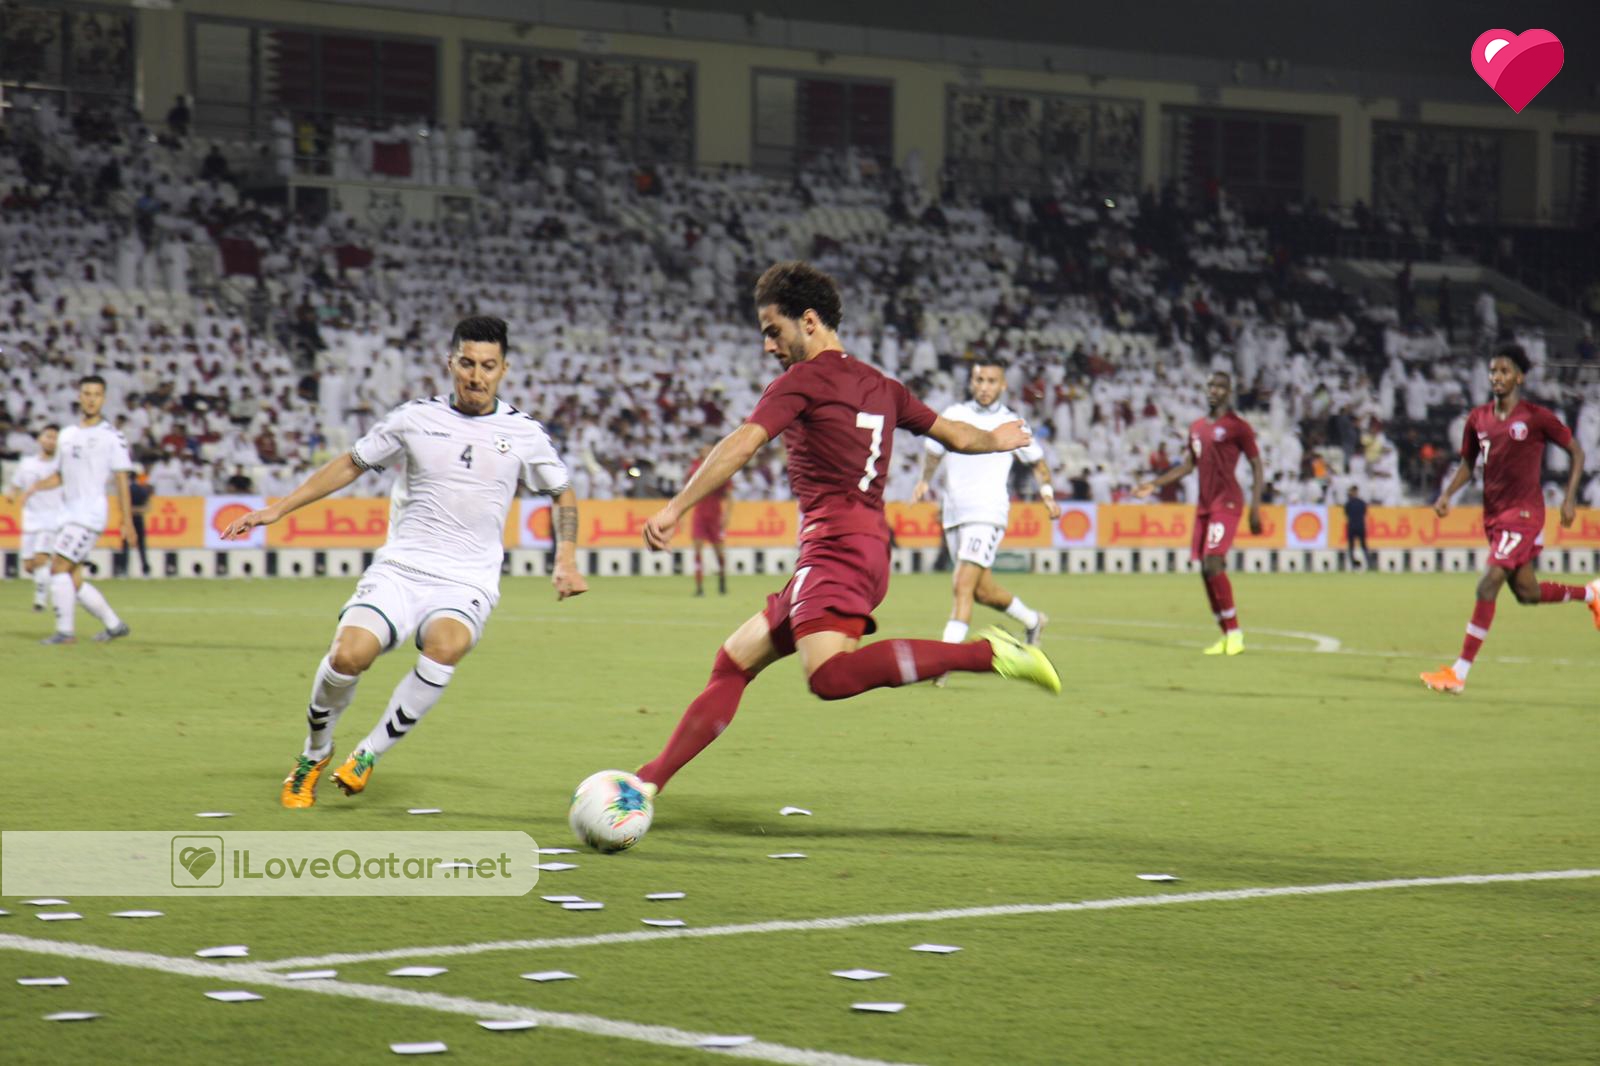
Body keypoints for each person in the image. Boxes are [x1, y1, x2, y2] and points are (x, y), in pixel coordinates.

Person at [633, 261, 1060, 799]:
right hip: (859, 547)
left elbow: (744, 442)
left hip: (836, 548)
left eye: (773, 331)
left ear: (808, 320)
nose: (769, 345)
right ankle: (648, 782)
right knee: (734, 662)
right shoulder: (881, 384)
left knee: (829, 677)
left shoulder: (802, 380)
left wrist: (676, 507)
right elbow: (954, 434)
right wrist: (995, 439)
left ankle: (987, 654)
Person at [221, 316, 588, 807]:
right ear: (450, 362)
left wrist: (565, 559)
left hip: (466, 577)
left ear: (504, 370)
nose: (475, 376)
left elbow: (562, 493)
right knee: (348, 656)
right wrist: (277, 508)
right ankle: (314, 753)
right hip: (402, 568)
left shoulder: (523, 433)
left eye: (488, 366)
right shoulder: (414, 418)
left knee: (446, 644)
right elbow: (352, 462)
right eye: (467, 363)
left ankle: (368, 754)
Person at [1421, 346, 1596, 694]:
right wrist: (1446, 495)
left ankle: (1458, 673)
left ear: (1519, 377)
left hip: (1524, 514)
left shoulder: (1535, 417)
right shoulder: (1478, 419)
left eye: (1504, 371)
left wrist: (1569, 497)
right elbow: (1469, 465)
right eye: (1493, 372)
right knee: (1527, 593)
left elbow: (1577, 451)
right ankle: (1591, 593)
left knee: (1488, 583)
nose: (1497, 377)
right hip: (1496, 516)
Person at [913, 358, 1060, 654]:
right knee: (982, 591)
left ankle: (944, 660)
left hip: (988, 512)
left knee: (962, 586)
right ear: (971, 382)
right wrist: (925, 481)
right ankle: (1033, 621)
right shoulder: (954, 414)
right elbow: (934, 452)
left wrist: (1047, 493)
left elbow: (1037, 462)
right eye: (979, 380)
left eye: (992, 381)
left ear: (1003, 385)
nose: (984, 387)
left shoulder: (1012, 422)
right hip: (955, 513)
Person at [1133, 371, 1264, 656]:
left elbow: (1256, 465)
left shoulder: (1238, 426)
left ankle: (1236, 633)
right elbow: (1187, 466)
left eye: (1220, 386)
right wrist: (1154, 483)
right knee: (1205, 569)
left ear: (1229, 392)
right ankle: (1226, 634)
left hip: (1228, 502)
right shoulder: (1197, 428)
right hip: (1204, 505)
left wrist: (1256, 507)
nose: (1214, 390)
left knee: (1214, 562)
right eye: (1211, 386)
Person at [14, 377, 135, 644]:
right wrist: (34, 488)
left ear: (104, 399)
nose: (91, 399)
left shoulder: (112, 437)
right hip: (67, 515)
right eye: (87, 393)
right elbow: (60, 476)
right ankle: (114, 625)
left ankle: (65, 633)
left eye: (97, 394)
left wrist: (127, 520)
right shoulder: (67, 435)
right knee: (73, 578)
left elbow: (122, 479)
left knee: (57, 567)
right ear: (79, 397)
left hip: (89, 515)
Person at [4, 424, 63, 612]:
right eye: (48, 436)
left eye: (55, 438)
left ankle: (40, 601)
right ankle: (60, 589)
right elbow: (15, 484)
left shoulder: (61, 465)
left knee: (40, 560)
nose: (51, 441)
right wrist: (11, 494)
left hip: (52, 519)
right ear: (39, 439)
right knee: (29, 566)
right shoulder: (27, 463)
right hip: (30, 519)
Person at [687, 441, 733, 596]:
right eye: (704, 451)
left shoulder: (721, 470)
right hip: (699, 515)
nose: (706, 453)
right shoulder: (695, 469)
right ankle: (699, 587)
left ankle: (722, 581)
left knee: (718, 551)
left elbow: (729, 496)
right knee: (697, 550)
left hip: (715, 516)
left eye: (709, 451)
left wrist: (727, 515)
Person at [116, 471, 152, 577]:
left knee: (125, 545)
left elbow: (121, 506)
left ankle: (124, 570)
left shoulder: (126, 490)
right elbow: (147, 507)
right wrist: (137, 511)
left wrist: (129, 511)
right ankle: (145, 570)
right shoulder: (142, 490)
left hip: (127, 519)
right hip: (139, 519)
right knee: (141, 545)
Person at [1343, 485, 1373, 570]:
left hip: (1352, 526)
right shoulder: (1362, 503)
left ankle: (1353, 565)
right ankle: (1369, 564)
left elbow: (1346, 514)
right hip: (1360, 526)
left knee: (1352, 546)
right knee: (1363, 546)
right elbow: (1364, 512)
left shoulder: (1348, 503)